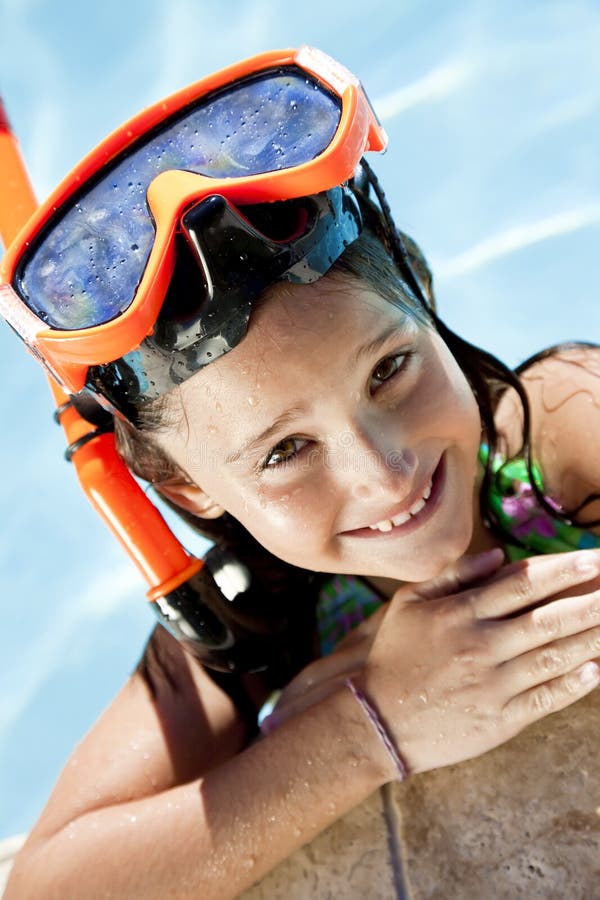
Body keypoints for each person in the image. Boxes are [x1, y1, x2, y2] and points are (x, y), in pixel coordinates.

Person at [1, 46, 599, 899]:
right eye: (284, 452)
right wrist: (373, 721)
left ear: (423, 296)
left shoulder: (559, 427)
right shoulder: (250, 617)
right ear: (188, 488)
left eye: (389, 369)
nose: (384, 474)